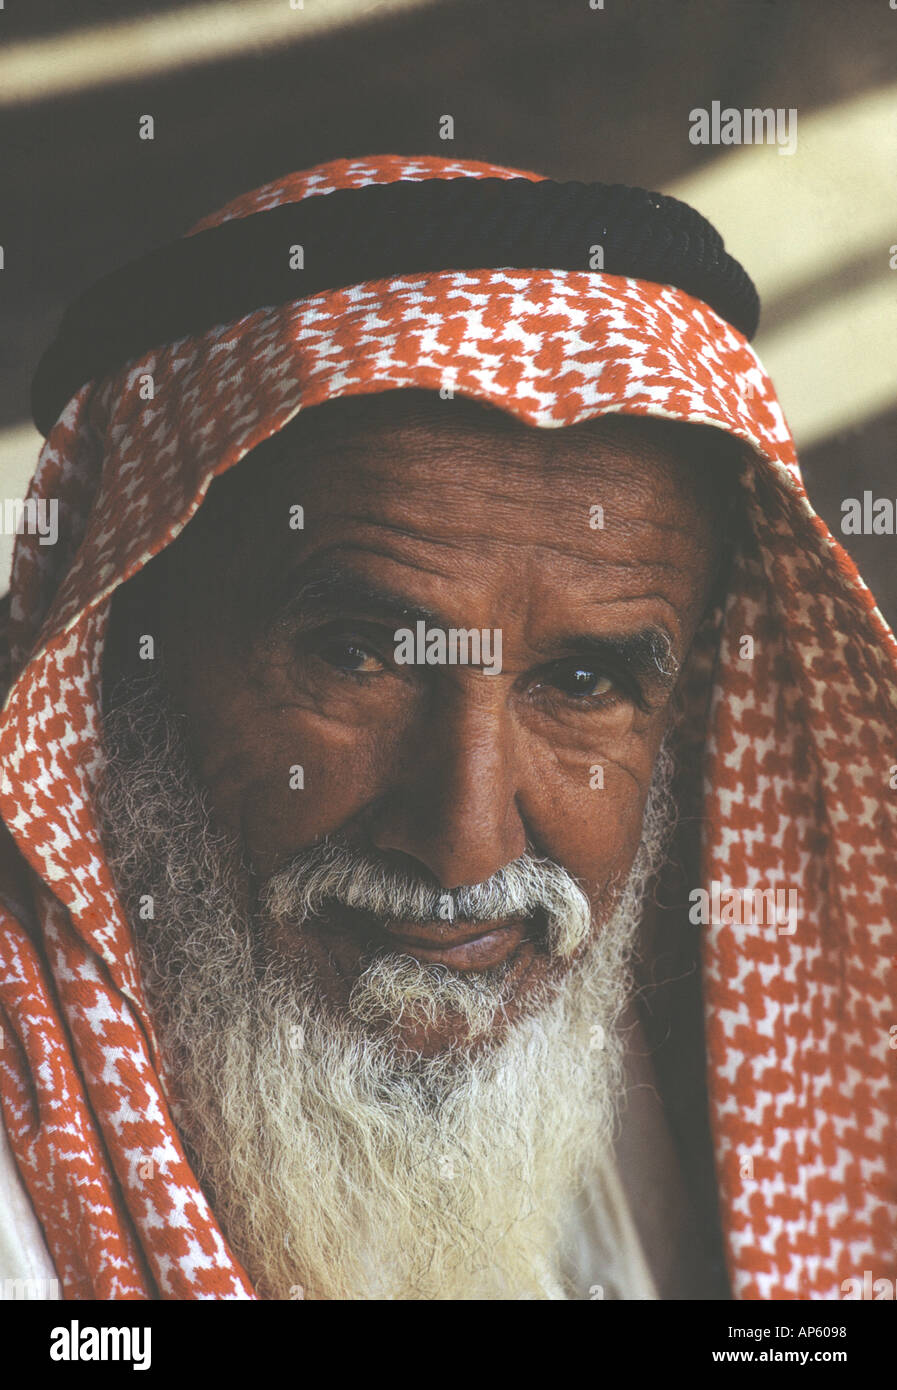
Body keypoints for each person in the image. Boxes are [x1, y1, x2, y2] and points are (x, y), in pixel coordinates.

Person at [1, 153, 894, 1301]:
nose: (468, 846)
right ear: (121, 657)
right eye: (359, 656)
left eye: (579, 679)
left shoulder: (591, 1072)